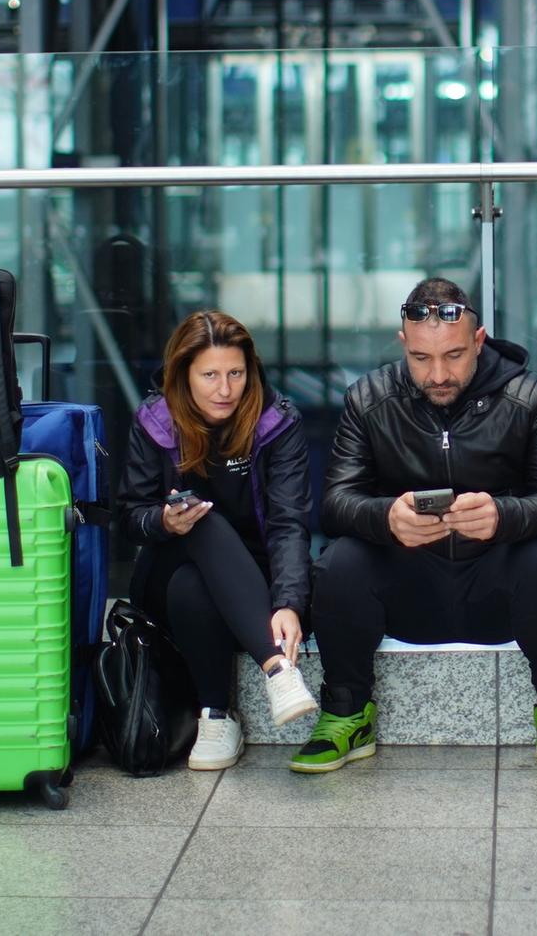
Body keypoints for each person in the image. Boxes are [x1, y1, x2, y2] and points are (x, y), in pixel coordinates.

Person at [294, 277, 537, 778]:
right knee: (340, 562)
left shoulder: (533, 397)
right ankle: (348, 711)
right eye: (421, 359)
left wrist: (503, 516)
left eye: (454, 356)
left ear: (479, 341)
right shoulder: (368, 399)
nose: (438, 374)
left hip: (498, 589)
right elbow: (334, 505)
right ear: (404, 345)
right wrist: (386, 518)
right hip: (409, 588)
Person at [118, 309, 318, 769]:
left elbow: (289, 522)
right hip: (162, 577)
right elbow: (128, 516)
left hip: (251, 581)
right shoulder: (155, 422)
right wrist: (165, 524)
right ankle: (277, 669)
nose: (225, 389)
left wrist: (288, 601)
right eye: (209, 375)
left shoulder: (276, 422)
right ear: (183, 374)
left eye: (235, 373)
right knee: (200, 523)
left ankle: (217, 717)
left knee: (197, 580)